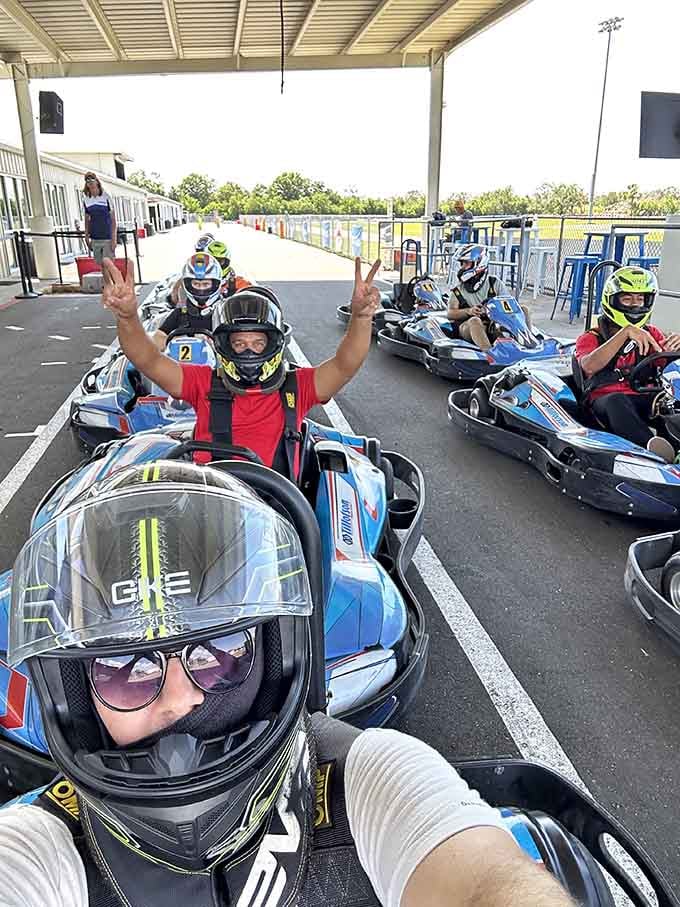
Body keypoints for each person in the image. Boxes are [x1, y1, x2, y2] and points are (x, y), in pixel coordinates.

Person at [0, 460, 575, 907]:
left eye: (218, 651)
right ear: (70, 693)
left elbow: (482, 882)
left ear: (275, 653)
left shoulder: (371, 779)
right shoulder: (38, 847)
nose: (181, 699)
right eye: (128, 669)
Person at [103, 256, 382, 478]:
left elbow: (345, 365)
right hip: (211, 503)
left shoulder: (298, 387)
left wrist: (361, 317)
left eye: (257, 343)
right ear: (224, 345)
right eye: (239, 344)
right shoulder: (203, 383)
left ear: (273, 343)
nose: (248, 350)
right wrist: (128, 317)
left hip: (278, 508)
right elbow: (147, 359)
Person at [575, 266, 680, 461]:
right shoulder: (592, 337)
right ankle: (652, 452)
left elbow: (670, 369)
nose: (635, 305)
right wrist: (626, 332)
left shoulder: (652, 334)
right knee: (617, 401)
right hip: (605, 404)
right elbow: (589, 366)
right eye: (628, 299)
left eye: (640, 299)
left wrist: (677, 348)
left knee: (672, 401)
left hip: (646, 397)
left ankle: (675, 447)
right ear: (613, 300)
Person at [447, 244, 533, 350]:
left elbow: (508, 306)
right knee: (475, 321)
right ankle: (490, 354)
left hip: (494, 325)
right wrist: (469, 311)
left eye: (466, 263)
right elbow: (450, 314)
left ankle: (529, 344)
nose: (462, 268)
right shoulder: (458, 289)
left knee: (524, 309)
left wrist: (490, 309)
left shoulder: (494, 283)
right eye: (462, 264)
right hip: (470, 327)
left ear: (479, 263)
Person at [151, 253, 222, 350]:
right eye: (196, 284)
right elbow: (157, 339)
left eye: (206, 284)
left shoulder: (224, 312)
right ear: (188, 285)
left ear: (215, 285)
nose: (201, 289)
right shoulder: (180, 313)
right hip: (182, 364)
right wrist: (183, 340)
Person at [82, 172, 117, 265]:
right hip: (95, 238)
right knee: (101, 266)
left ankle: (113, 280)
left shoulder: (106, 196)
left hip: (107, 237)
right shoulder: (86, 200)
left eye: (92, 180)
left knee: (109, 265)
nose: (90, 182)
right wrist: (86, 237)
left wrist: (114, 238)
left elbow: (113, 219)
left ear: (97, 181)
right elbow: (87, 219)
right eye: (87, 181)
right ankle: (106, 280)